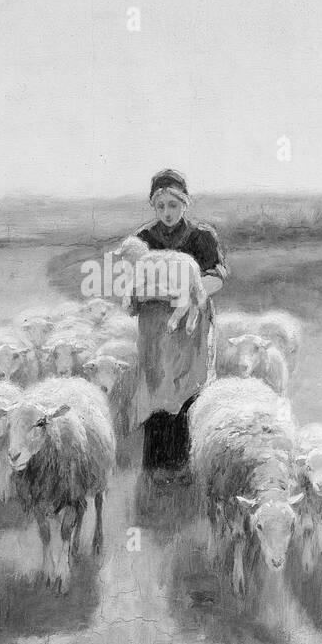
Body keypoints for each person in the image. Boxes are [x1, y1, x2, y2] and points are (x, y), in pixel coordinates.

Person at [127, 169, 227, 478]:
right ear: (153, 206)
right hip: (155, 327)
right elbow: (135, 281)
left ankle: (187, 466)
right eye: (161, 206)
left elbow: (217, 276)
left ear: (185, 203)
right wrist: (141, 294)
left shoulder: (202, 236)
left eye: (173, 205)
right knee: (156, 383)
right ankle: (156, 466)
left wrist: (192, 293)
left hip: (190, 326)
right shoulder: (144, 239)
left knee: (187, 383)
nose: (167, 213)